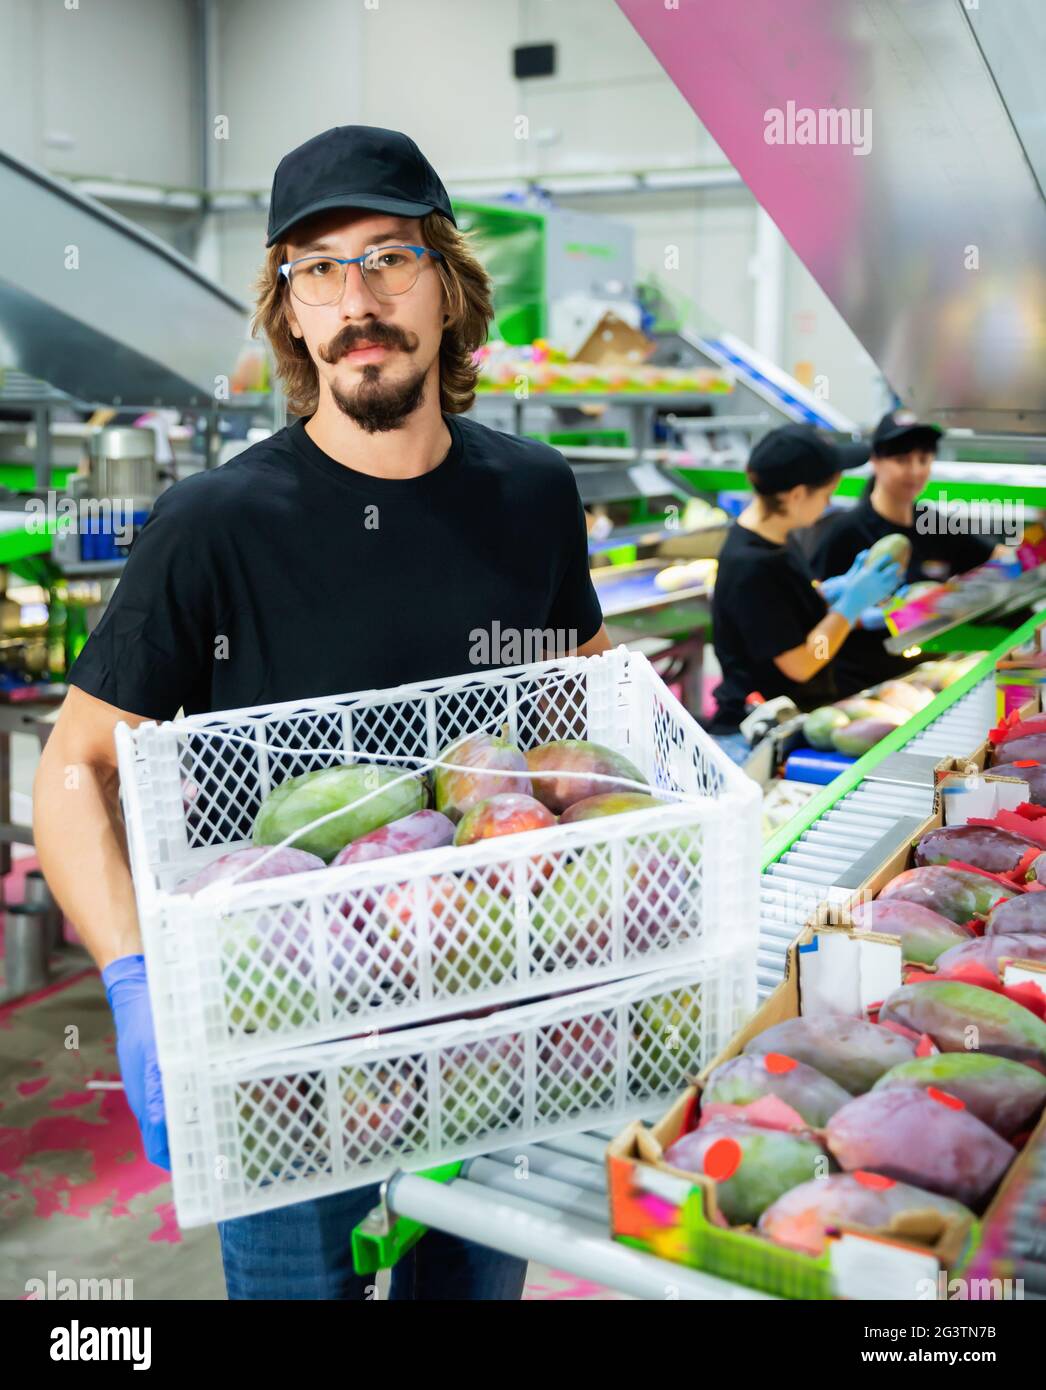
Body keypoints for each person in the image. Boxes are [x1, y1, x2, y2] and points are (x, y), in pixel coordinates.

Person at [32, 125, 610, 1301]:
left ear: (448, 288)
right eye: (317, 267)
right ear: (289, 313)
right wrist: (135, 981)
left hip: (490, 1026)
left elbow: (569, 691)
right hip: (282, 1041)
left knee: (471, 1290)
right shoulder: (214, 523)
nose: (357, 297)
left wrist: (609, 803)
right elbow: (76, 767)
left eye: (389, 257)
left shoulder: (533, 496)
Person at [708, 425, 901, 763]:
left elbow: (784, 608)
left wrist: (834, 593)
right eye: (826, 495)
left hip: (791, 721)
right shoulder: (751, 564)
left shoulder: (779, 537)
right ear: (796, 495)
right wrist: (850, 607)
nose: (829, 505)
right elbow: (801, 663)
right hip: (755, 737)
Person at [807, 408, 998, 694]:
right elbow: (814, 614)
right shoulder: (845, 532)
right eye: (902, 460)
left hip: (928, 679)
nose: (915, 471)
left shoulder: (934, 523)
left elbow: (996, 558)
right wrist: (865, 611)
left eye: (923, 459)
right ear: (876, 461)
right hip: (865, 686)